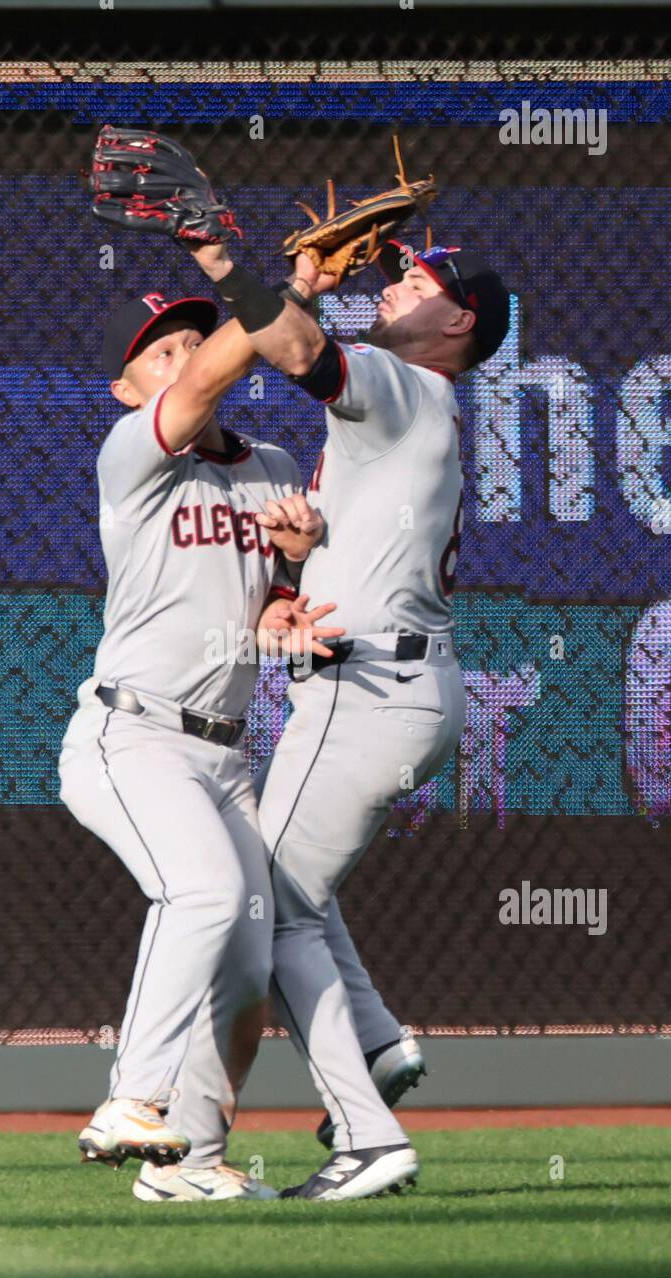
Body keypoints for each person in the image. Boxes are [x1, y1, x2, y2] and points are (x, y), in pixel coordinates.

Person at [180, 237, 511, 1199]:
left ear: (457, 325)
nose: (396, 284)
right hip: (391, 687)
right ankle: (372, 1043)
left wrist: (217, 255)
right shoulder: (402, 416)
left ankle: (368, 1137)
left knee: (262, 908)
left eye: (419, 284)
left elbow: (295, 351)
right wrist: (294, 570)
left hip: (363, 697)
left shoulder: (406, 387)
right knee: (294, 894)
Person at [59, 288, 339, 1201]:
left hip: (225, 753)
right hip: (130, 734)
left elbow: (258, 618)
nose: (181, 359)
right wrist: (278, 284)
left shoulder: (273, 466)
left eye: (190, 340)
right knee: (205, 892)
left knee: (250, 963)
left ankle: (190, 1163)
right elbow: (220, 370)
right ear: (125, 389)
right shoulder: (133, 451)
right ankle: (130, 1098)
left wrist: (290, 579)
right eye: (160, 353)